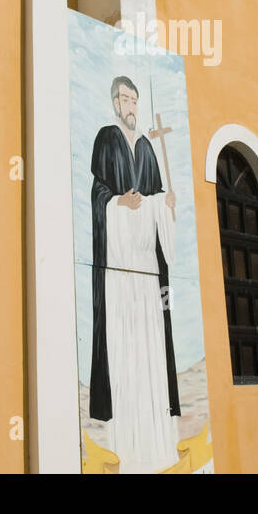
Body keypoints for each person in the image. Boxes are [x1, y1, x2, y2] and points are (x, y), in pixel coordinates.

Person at [88, 75, 180, 472]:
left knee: (152, 353)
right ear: (114, 103)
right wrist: (119, 204)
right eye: (123, 98)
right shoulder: (107, 138)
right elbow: (99, 197)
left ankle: (159, 444)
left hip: (146, 268)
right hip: (120, 271)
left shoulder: (146, 146)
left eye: (133, 99)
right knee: (126, 352)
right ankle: (127, 446)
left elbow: (158, 198)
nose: (129, 104)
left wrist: (166, 205)